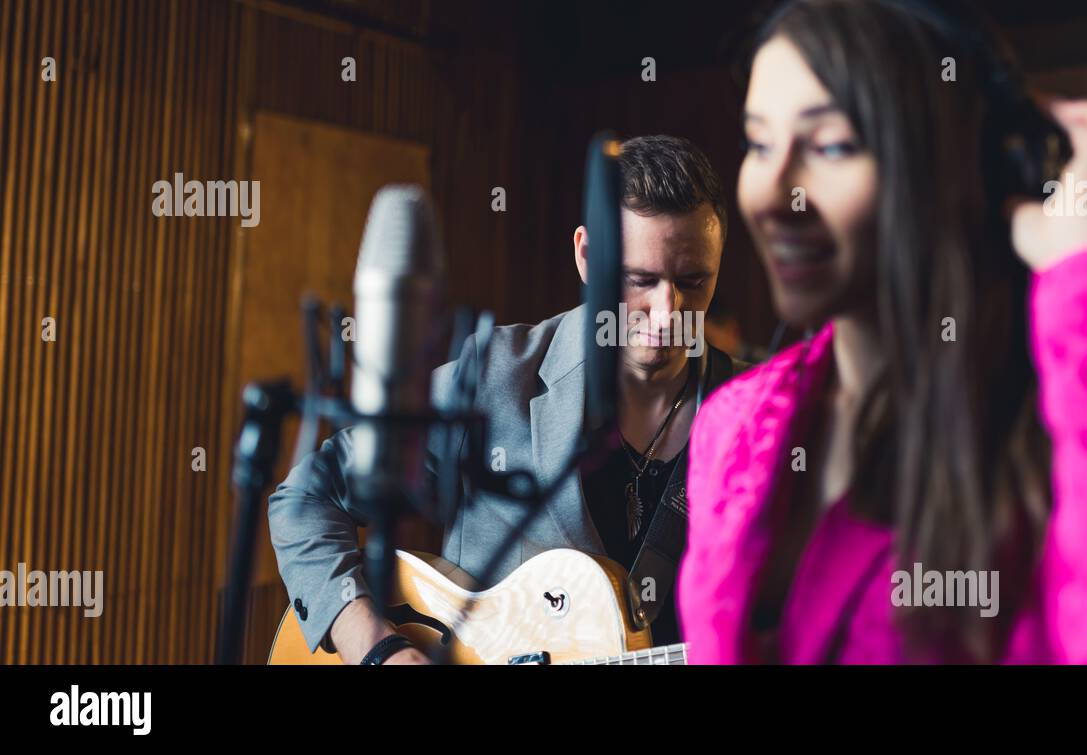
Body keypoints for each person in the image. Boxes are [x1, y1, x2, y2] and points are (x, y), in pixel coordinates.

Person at [677, 0, 1087, 663]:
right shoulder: (735, 426)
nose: (773, 192)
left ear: (958, 164)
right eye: (759, 143)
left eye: (831, 145)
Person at [269, 135, 747, 664]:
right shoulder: (496, 375)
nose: (666, 314)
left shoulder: (764, 416)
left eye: (693, 281)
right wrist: (378, 649)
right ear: (588, 256)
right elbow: (306, 498)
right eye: (640, 280)